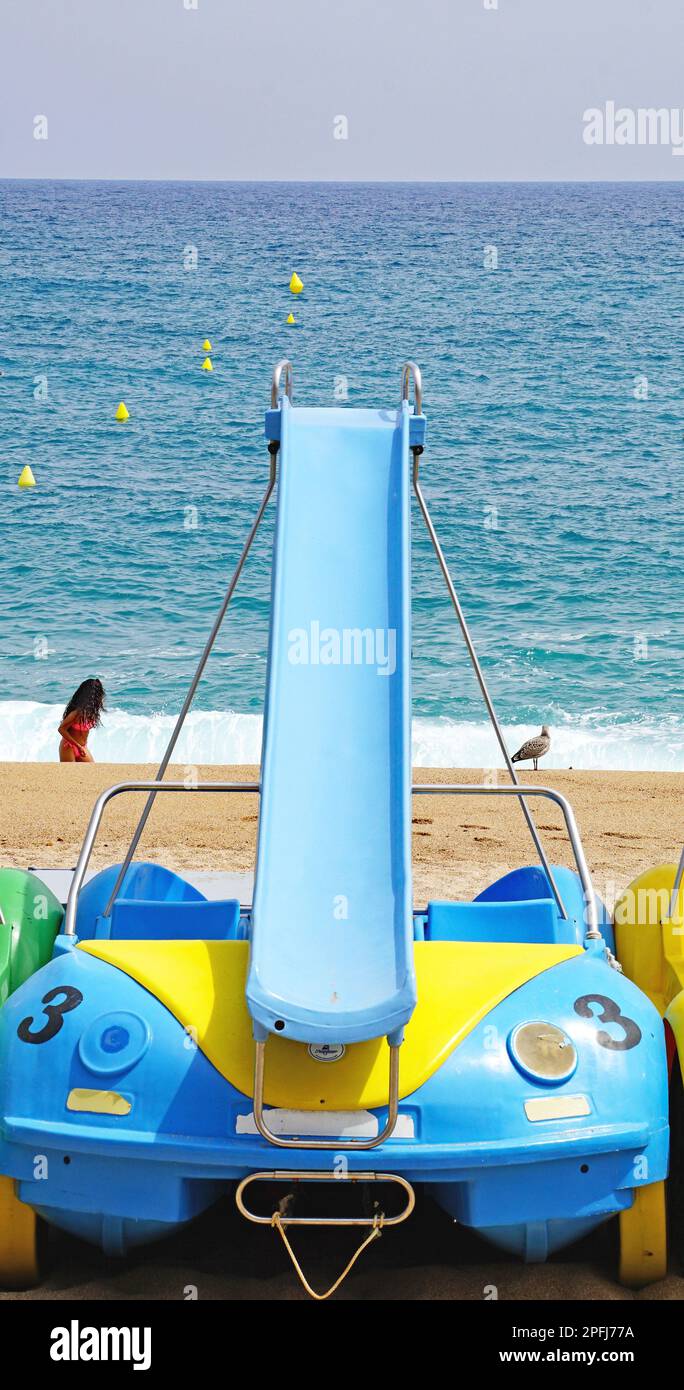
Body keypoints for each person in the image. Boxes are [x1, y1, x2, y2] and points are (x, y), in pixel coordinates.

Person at [58, 678, 105, 762]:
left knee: (91, 771)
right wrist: (77, 746)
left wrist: (81, 747)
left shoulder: (91, 713)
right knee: (69, 774)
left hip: (82, 747)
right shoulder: (77, 713)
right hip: (69, 747)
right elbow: (61, 729)